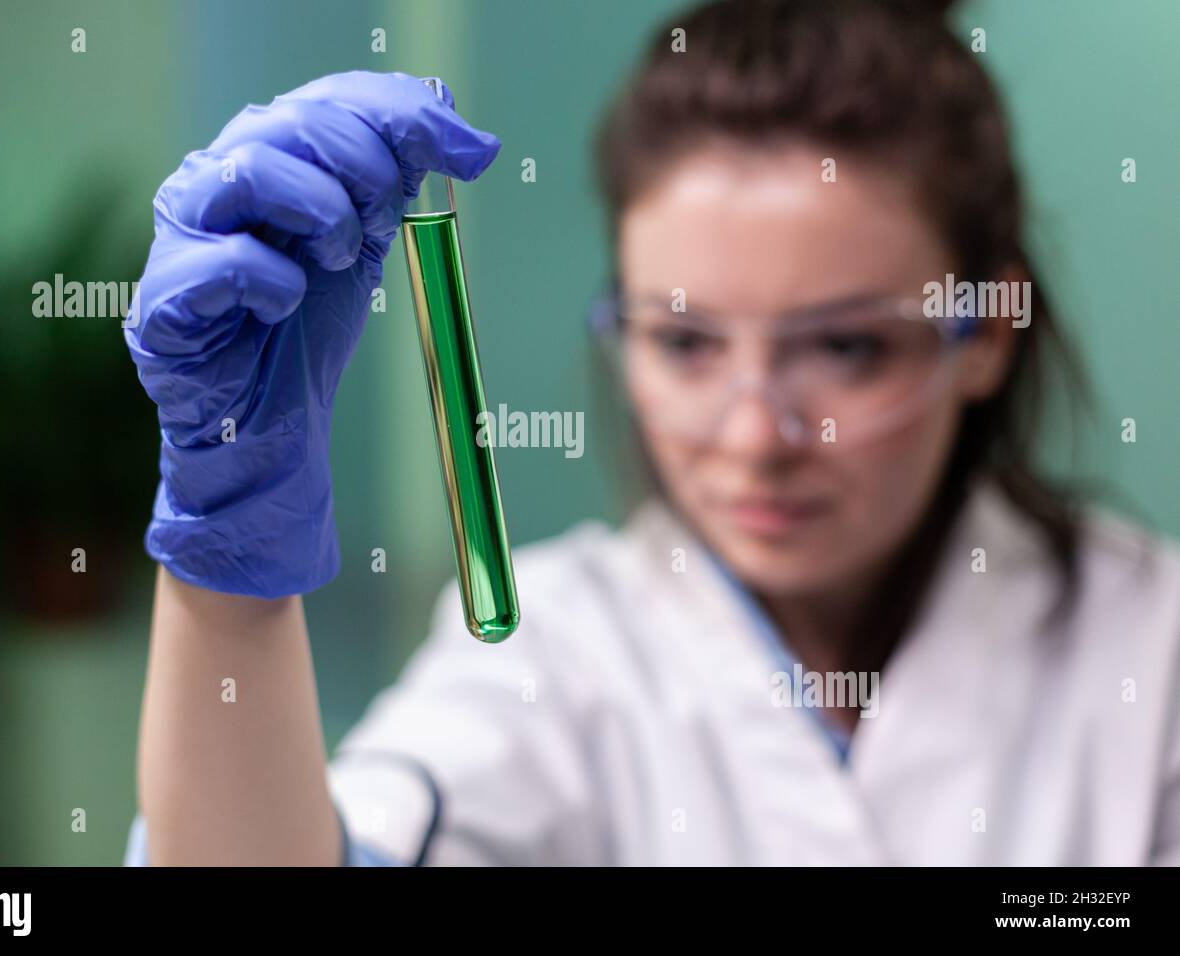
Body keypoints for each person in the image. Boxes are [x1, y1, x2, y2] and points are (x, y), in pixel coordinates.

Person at [123, 0, 1180, 865]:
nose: (755, 435)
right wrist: (228, 589)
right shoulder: (557, 646)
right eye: (682, 342)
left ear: (986, 327)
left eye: (847, 348)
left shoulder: (1151, 648)